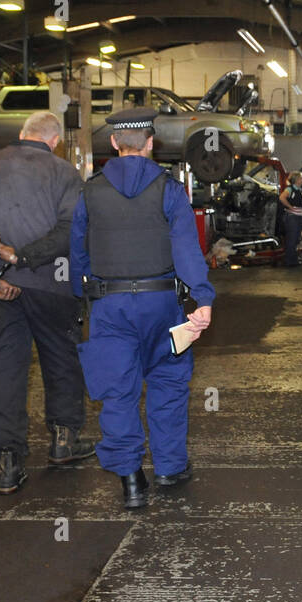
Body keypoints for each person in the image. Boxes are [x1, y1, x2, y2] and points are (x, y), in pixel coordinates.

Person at [69, 108, 216, 509]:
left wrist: (80, 295)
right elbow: (187, 249)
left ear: (114, 143)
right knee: (168, 382)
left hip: (109, 305)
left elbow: (77, 250)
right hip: (162, 304)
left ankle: (131, 480)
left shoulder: (90, 191)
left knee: (118, 391)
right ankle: (169, 467)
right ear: (151, 143)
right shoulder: (169, 189)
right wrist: (202, 298)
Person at [0, 110, 96, 496]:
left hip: (0, 290)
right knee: (61, 360)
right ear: (54, 141)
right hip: (53, 287)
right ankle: (64, 441)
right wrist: (25, 257)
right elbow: (70, 230)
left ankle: (9, 461)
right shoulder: (64, 173)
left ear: (22, 134)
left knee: (7, 370)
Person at [279, 171, 302, 266]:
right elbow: (282, 198)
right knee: (292, 239)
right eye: (301, 178)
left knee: (295, 239)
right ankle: (290, 261)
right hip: (293, 217)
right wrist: (290, 207)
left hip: (298, 217)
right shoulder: (290, 189)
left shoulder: (298, 189)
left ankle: (292, 259)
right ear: (296, 180)